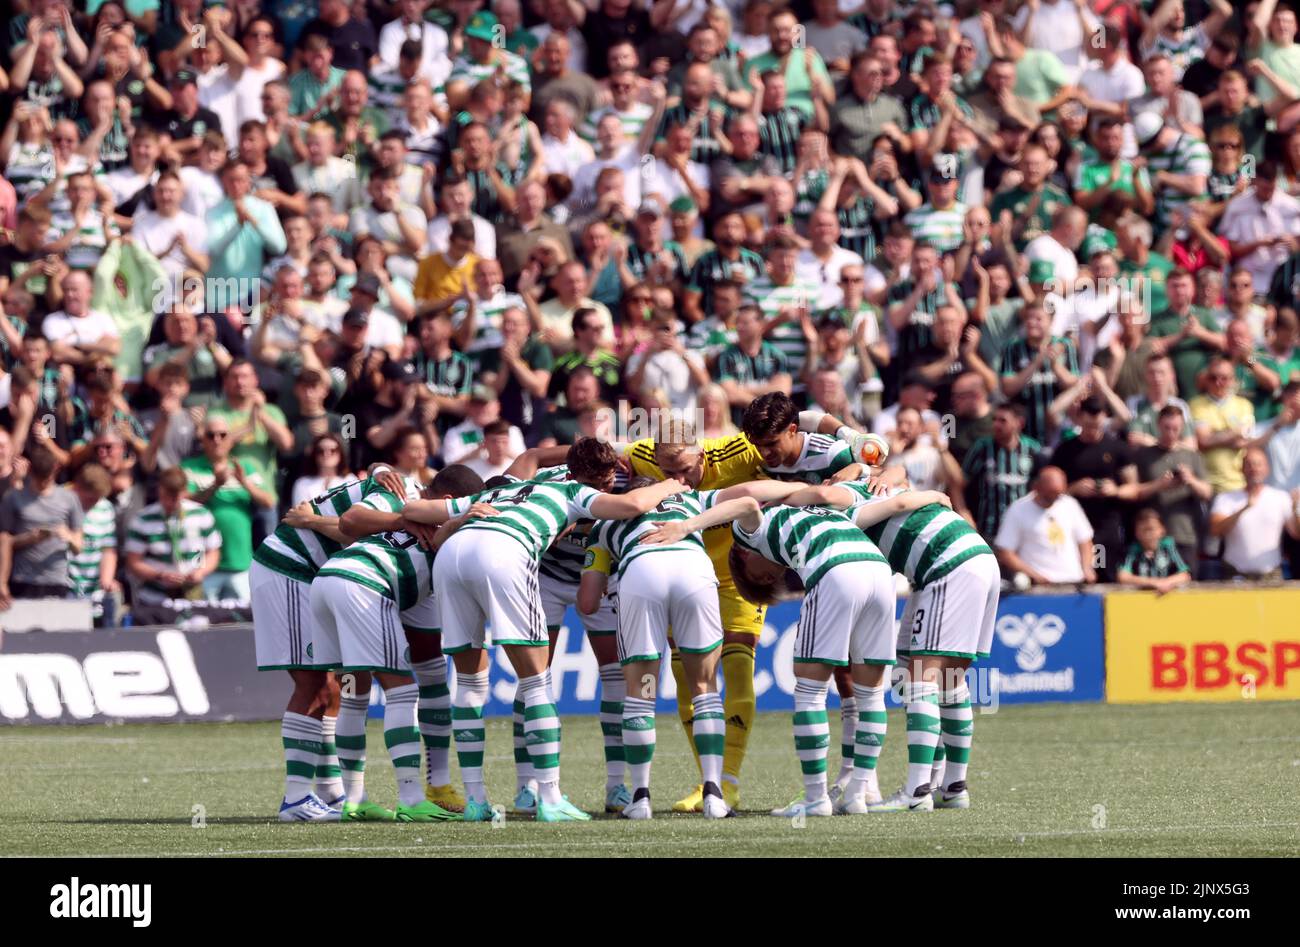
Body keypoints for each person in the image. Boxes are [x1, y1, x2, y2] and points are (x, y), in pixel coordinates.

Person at [402, 437, 693, 822]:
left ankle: (477, 800)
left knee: (471, 682)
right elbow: (634, 504)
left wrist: (452, 519)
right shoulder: (575, 487)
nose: (605, 485)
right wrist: (672, 484)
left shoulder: (513, 484)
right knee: (537, 681)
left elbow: (415, 509)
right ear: (581, 474)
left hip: (455, 552)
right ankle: (545, 795)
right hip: (513, 558)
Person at [182, 415, 275, 603]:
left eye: (223, 435)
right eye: (211, 435)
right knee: (203, 625)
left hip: (241, 564)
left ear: (230, 439)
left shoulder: (245, 467)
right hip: (201, 567)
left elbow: (268, 502)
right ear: (203, 439)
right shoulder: (189, 467)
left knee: (242, 624)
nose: (217, 440)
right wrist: (215, 485)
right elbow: (183, 502)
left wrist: (244, 482)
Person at [123, 467, 222, 624]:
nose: (171, 503)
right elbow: (133, 562)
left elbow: (213, 552)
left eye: (176, 497)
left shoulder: (201, 514)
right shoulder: (143, 519)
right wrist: (160, 575)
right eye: (166, 497)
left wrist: (201, 572)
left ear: (184, 491)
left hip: (192, 597)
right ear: (159, 490)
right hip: (155, 599)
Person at [0, 444, 82, 606]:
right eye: (39, 477)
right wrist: (28, 539)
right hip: (22, 580)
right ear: (30, 470)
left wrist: (68, 537)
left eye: (47, 477)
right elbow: (4, 541)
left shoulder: (69, 499)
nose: (43, 483)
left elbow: (79, 546)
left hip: (56, 580)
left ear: (56, 469)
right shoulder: (13, 498)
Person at [994, 465, 1097, 586]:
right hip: (1038, 585)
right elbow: (1005, 552)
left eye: (1058, 494)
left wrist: (1087, 568)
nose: (1055, 499)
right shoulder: (1018, 509)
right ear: (1037, 487)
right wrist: (1034, 575)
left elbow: (1085, 541)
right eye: (1050, 494)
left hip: (1073, 582)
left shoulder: (1070, 504)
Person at [1209, 447, 1300, 581]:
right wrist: (1244, 508)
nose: (1254, 468)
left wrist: (1296, 509)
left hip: (1271, 574)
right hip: (1235, 573)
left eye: (1258, 464)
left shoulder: (1281, 498)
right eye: (1249, 464)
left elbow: (1296, 533)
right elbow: (1216, 529)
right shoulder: (1226, 498)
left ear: (1267, 469)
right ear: (1241, 469)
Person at [1117, 508, 1193, 595]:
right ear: (1136, 533)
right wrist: (1154, 583)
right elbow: (1122, 576)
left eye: (1151, 529)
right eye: (1144, 530)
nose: (1148, 535)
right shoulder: (1133, 550)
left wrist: (1166, 583)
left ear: (1162, 530)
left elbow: (1185, 575)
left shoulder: (1169, 546)